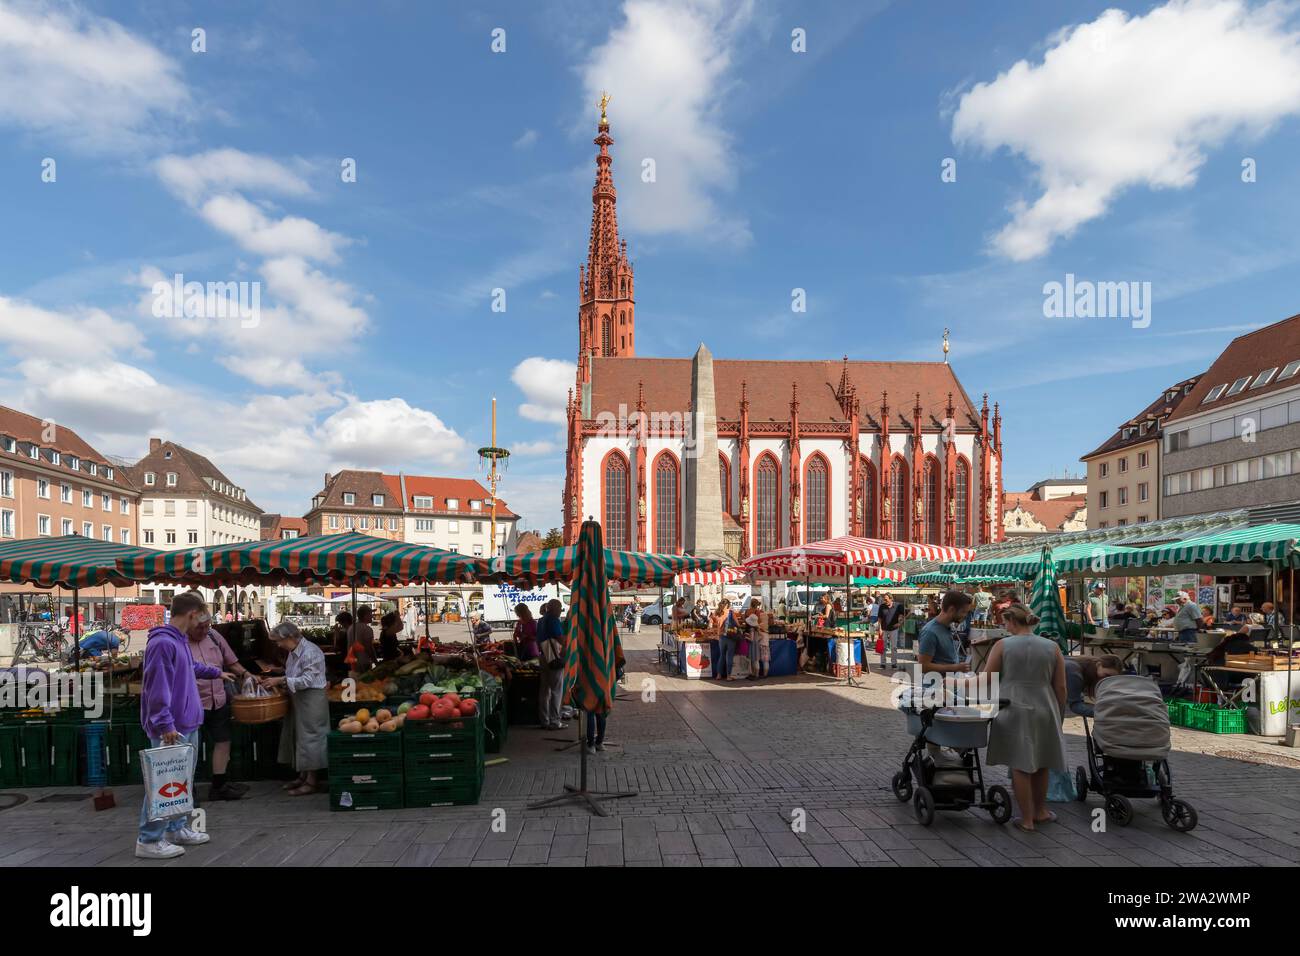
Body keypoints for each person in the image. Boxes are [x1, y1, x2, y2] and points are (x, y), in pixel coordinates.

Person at [136, 591, 233, 859]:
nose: (201, 625)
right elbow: (157, 689)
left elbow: (188, 667)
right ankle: (149, 839)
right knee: (164, 783)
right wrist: (165, 724)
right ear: (192, 614)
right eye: (200, 618)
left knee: (181, 782)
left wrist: (216, 672)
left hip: (186, 723)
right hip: (172, 728)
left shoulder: (177, 641)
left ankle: (176, 828)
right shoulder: (163, 644)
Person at [984, 603, 1067, 832]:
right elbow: (1060, 687)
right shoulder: (1052, 647)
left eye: (1005, 622)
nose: (1004, 626)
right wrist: (1058, 714)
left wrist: (953, 682)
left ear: (1011, 621)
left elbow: (986, 679)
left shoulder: (1003, 645)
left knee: (1021, 765)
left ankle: (1027, 819)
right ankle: (1040, 812)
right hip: (1045, 705)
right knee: (1042, 762)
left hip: (1013, 706)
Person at [187, 613, 255, 802]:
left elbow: (231, 661)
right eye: (199, 627)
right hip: (191, 702)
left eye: (207, 626)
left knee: (223, 741)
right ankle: (186, 788)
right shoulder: (179, 642)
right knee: (188, 747)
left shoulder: (214, 636)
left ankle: (219, 785)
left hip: (218, 699)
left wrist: (246, 674)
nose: (203, 630)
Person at [263, 621, 329, 796]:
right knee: (299, 735)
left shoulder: (311, 652)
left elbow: (307, 680)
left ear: (290, 637)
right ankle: (303, 775)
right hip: (298, 698)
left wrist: (281, 680)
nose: (278, 644)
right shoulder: (293, 652)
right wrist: (280, 675)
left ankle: (312, 781)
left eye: (279, 640)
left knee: (311, 736)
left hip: (312, 699)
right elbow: (294, 674)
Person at [917, 590, 973, 675]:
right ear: (951, 610)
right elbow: (923, 666)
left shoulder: (947, 626)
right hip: (935, 686)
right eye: (963, 612)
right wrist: (955, 667)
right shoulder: (930, 632)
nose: (965, 615)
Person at [537, 599, 567, 729]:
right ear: (554, 608)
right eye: (560, 608)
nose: (561, 611)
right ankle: (555, 721)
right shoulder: (554, 620)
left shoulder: (541, 620)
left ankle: (544, 720)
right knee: (556, 690)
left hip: (543, 657)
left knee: (544, 690)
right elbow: (560, 638)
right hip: (554, 658)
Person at [712, 599, 740, 680]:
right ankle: (728, 676)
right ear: (727, 605)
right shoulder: (730, 612)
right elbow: (737, 624)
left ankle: (719, 675)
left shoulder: (717, 612)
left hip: (721, 637)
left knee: (722, 656)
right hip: (730, 636)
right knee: (729, 656)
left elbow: (713, 622)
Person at [877, 593, 906, 670]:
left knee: (894, 647)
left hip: (893, 629)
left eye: (886, 599)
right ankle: (883, 664)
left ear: (891, 599)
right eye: (884, 599)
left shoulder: (898, 605)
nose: (885, 601)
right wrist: (879, 628)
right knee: (883, 647)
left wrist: (900, 623)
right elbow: (880, 618)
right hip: (884, 629)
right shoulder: (882, 606)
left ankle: (894, 664)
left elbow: (905, 614)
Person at [345, 606, 376, 673]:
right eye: (370, 614)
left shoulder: (351, 627)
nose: (372, 616)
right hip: (363, 662)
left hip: (353, 661)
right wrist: (375, 661)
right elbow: (369, 647)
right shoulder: (367, 629)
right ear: (365, 616)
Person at [744, 598, 769, 680]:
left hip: (752, 643)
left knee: (753, 660)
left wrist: (746, 636)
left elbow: (744, 620)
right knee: (759, 660)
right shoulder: (758, 613)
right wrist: (758, 639)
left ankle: (755, 674)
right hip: (758, 642)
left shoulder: (747, 611)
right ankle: (760, 674)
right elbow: (761, 634)